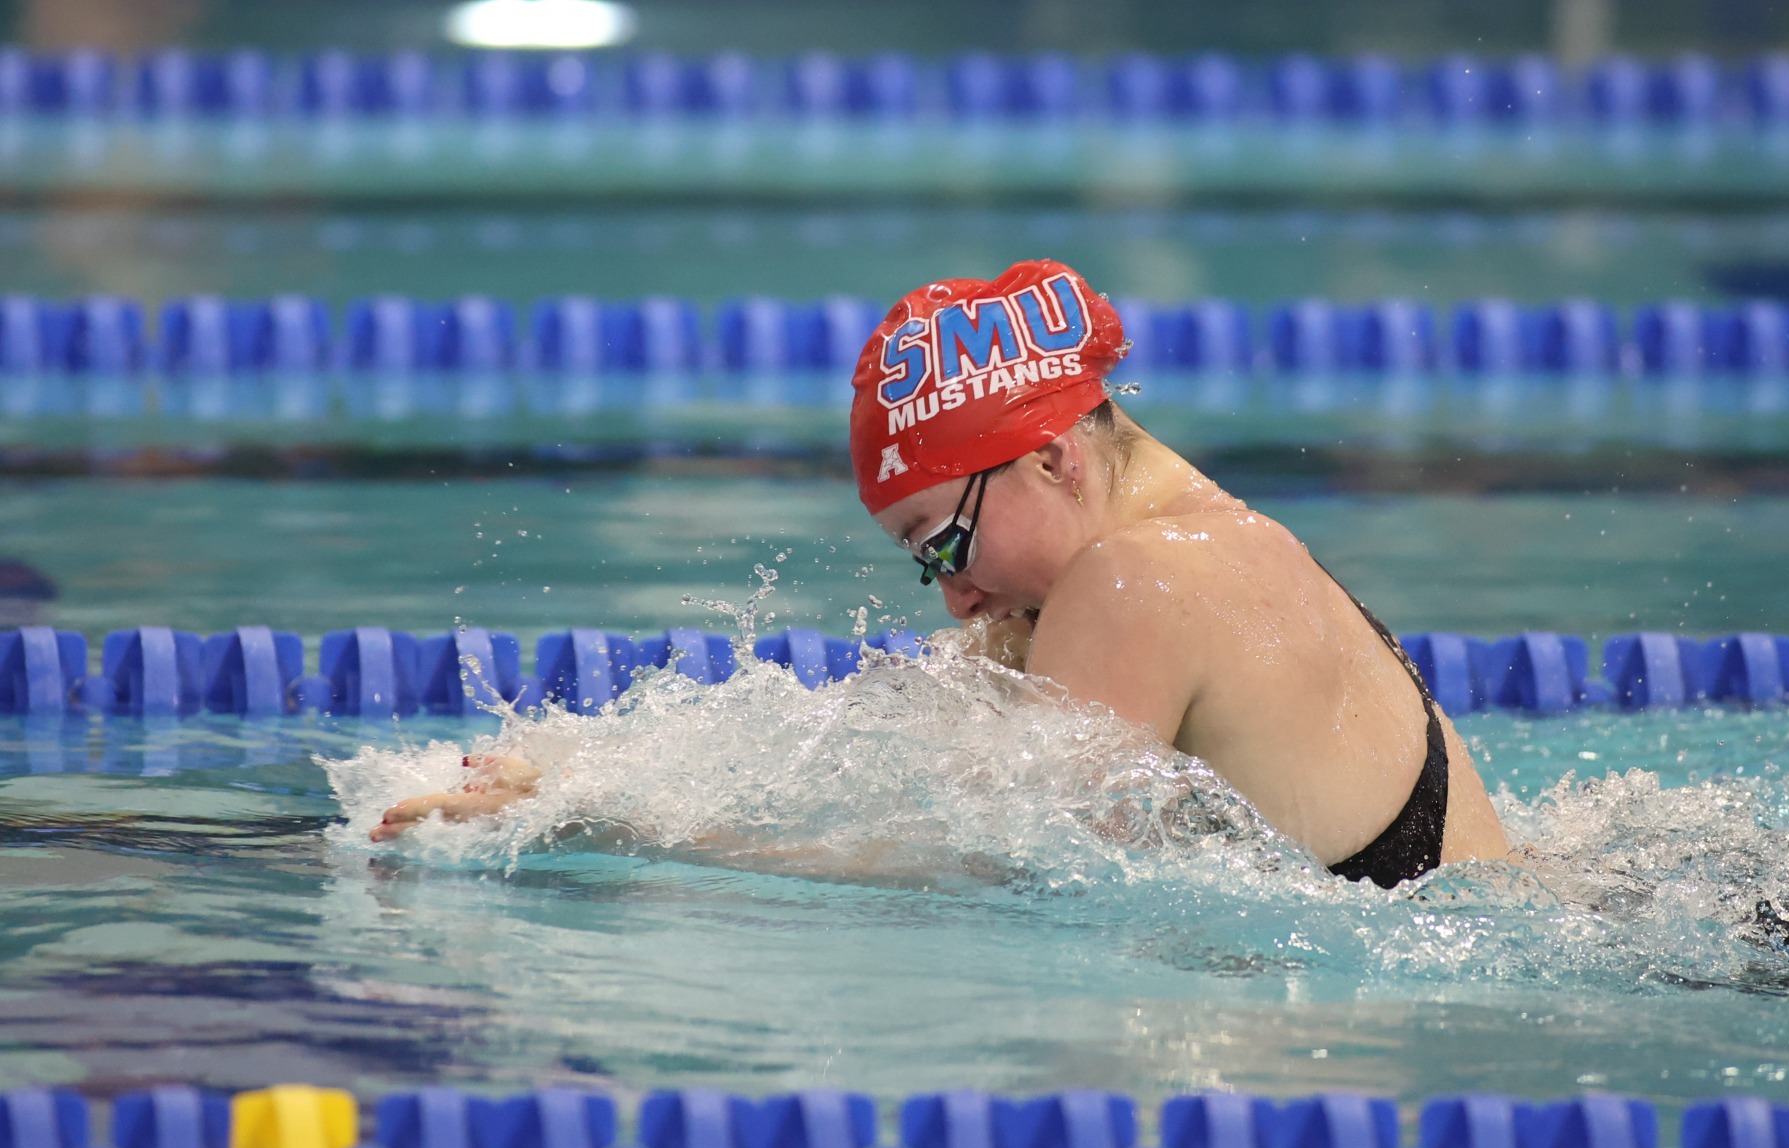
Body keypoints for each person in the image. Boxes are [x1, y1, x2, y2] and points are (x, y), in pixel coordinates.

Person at [376, 260, 1511, 885]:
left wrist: (612, 825)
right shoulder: (1219, 541)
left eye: (943, 544)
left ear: (1053, 459)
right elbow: (894, 728)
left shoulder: (1133, 583)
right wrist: (585, 764)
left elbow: (990, 866)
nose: (956, 593)